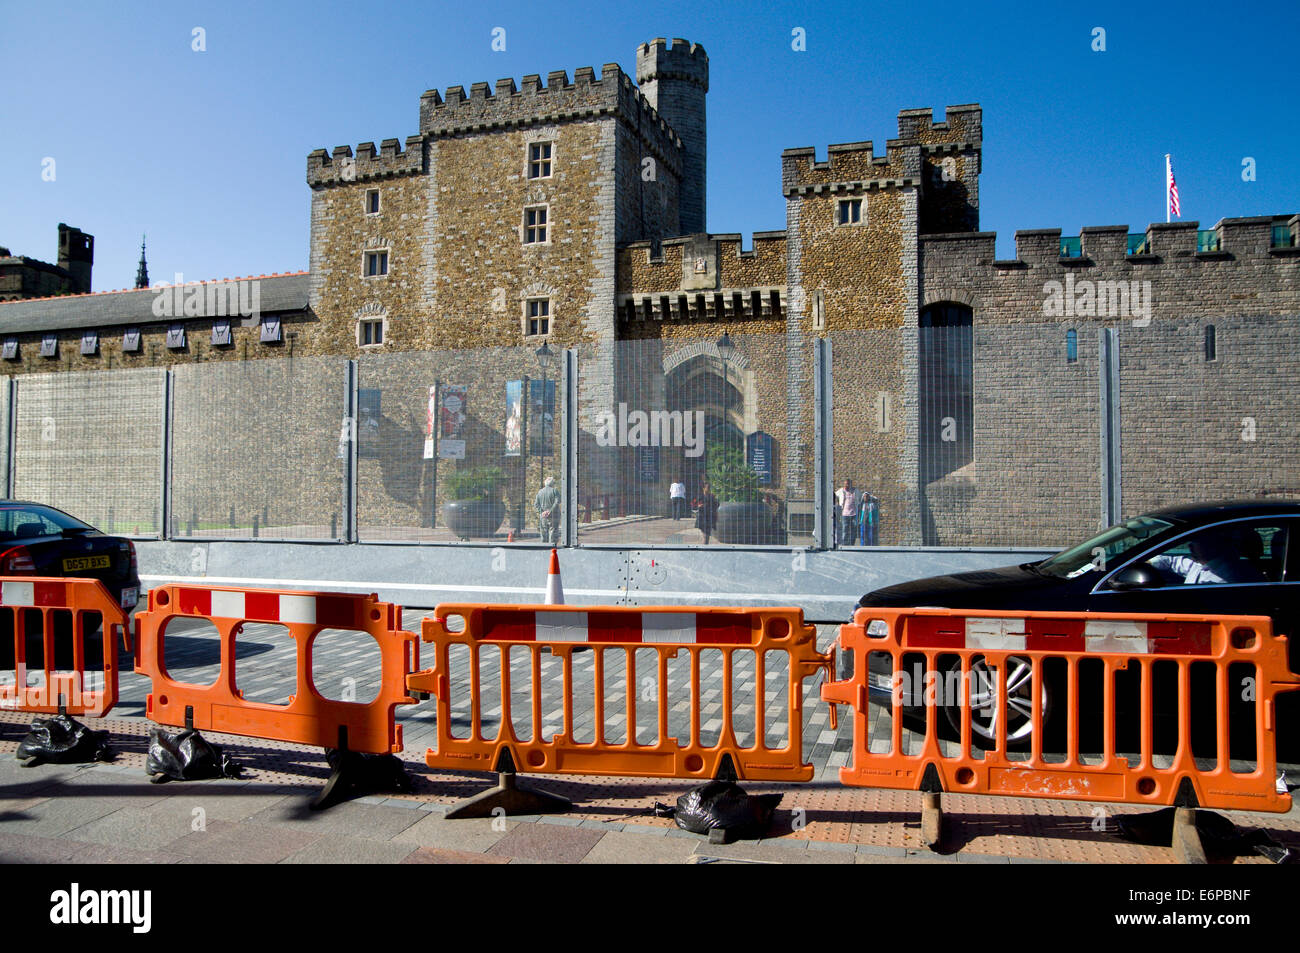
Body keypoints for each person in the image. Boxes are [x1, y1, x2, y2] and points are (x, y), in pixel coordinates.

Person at [1146, 527, 1267, 585]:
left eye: (1197, 541)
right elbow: (1172, 562)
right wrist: (1147, 562)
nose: (1190, 546)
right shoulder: (1199, 564)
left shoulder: (1228, 578)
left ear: (1212, 544)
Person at [534, 476, 560, 545]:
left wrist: (542, 512)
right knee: (553, 531)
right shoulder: (555, 491)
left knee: (543, 532)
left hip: (543, 516)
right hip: (554, 515)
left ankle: (543, 547)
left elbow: (536, 504)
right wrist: (550, 511)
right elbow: (557, 502)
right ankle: (552, 548)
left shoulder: (540, 492)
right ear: (552, 483)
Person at [695, 480, 719, 544]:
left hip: (709, 517)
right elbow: (693, 504)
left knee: (707, 536)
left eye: (709, 488)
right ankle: (705, 547)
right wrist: (698, 506)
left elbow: (717, 504)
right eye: (707, 488)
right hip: (702, 518)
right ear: (703, 488)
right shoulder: (700, 496)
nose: (708, 489)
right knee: (705, 535)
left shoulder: (712, 496)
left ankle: (705, 546)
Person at [835, 479, 858, 546]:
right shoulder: (841, 491)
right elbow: (834, 495)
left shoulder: (855, 491)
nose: (847, 485)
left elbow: (861, 497)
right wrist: (837, 502)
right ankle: (844, 544)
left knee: (853, 530)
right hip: (844, 514)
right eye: (846, 484)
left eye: (848, 484)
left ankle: (852, 544)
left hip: (854, 513)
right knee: (845, 530)